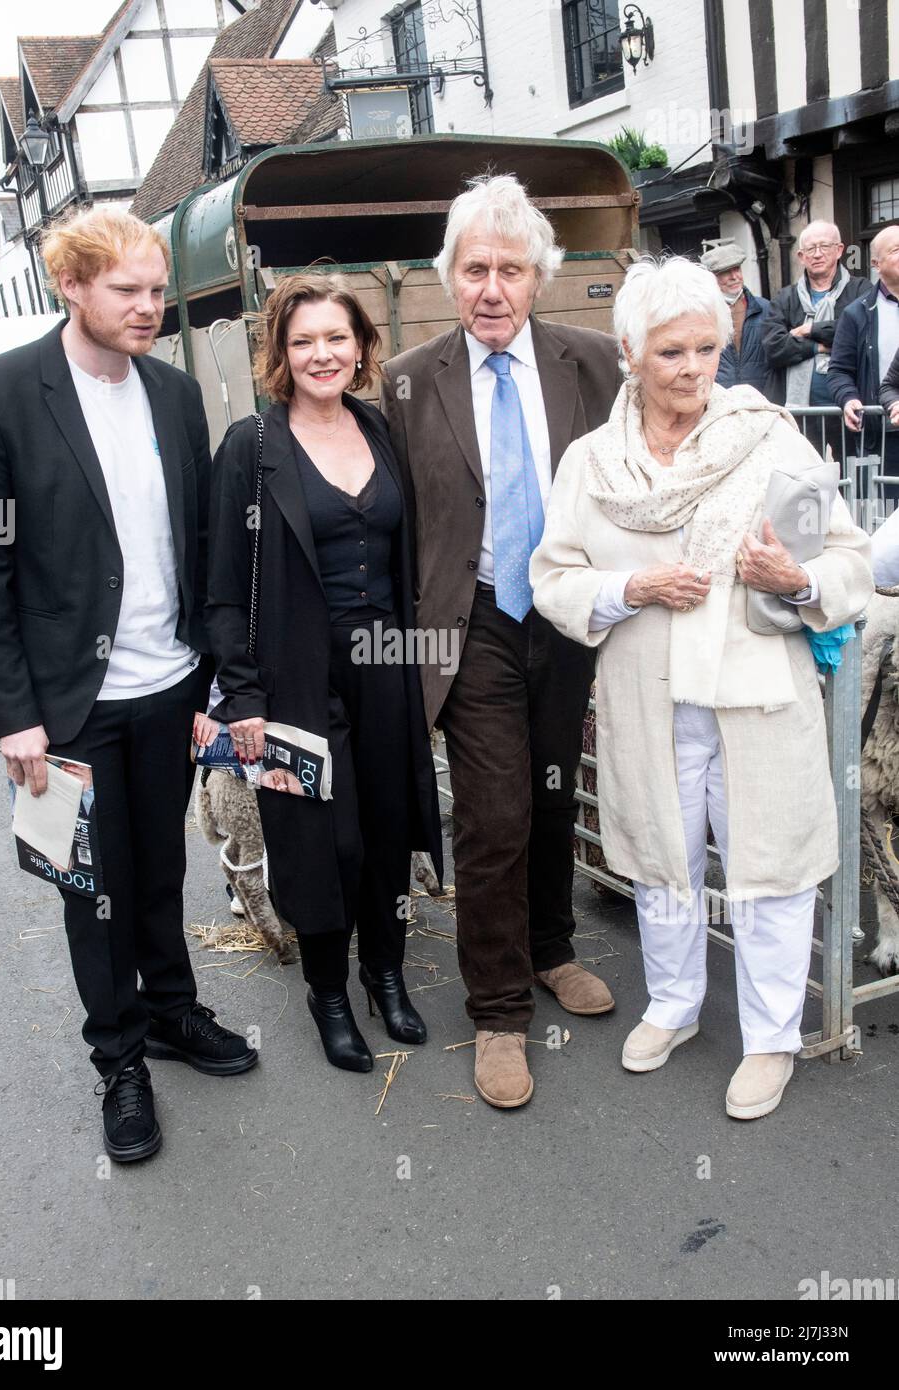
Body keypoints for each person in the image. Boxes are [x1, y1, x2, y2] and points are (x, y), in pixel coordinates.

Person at [0, 207, 256, 1166]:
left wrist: (212, 675)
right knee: (95, 888)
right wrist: (13, 718)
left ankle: (172, 1011)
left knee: (160, 869)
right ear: (72, 286)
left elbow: (199, 543)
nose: (150, 308)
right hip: (70, 704)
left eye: (157, 290)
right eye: (128, 290)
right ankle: (119, 1059)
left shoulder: (172, 392)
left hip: (168, 687)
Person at [531, 255, 873, 1120]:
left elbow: (847, 557)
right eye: (672, 353)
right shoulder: (592, 463)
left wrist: (791, 578)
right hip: (649, 698)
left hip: (757, 693)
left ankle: (771, 1040)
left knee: (770, 870)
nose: (693, 370)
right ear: (630, 353)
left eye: (708, 350)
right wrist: (630, 590)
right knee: (660, 859)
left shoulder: (769, 439)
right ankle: (676, 1006)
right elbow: (553, 577)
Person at [380, 174, 620, 1110]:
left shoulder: (593, 364)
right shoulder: (407, 382)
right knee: (494, 813)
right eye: (474, 268)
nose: (491, 288)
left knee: (557, 792)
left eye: (509, 270)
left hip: (565, 616)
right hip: (471, 619)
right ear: (448, 276)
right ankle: (498, 1012)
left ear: (538, 277)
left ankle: (553, 946)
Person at [206, 273, 443, 1074]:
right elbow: (221, 589)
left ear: (361, 347)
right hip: (294, 677)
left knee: (385, 830)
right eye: (303, 340)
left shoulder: (378, 431)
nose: (321, 354)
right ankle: (329, 991)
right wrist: (241, 694)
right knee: (322, 841)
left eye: (336, 338)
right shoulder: (252, 448)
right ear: (280, 352)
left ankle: (386, 973)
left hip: (386, 669)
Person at [762, 221, 872, 453]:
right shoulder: (785, 297)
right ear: (801, 256)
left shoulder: (860, 289)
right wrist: (819, 348)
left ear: (839, 250)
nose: (818, 254)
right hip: (799, 412)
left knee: (853, 479)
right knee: (806, 479)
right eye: (811, 249)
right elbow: (773, 347)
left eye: (824, 246)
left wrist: (808, 330)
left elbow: (858, 334)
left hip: (848, 406)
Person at [827, 223, 899, 478]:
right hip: (883, 434)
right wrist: (848, 398)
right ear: (877, 265)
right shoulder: (857, 313)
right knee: (887, 512)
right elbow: (838, 371)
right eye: (896, 250)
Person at [699, 240, 772, 397]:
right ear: (713, 277)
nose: (734, 277)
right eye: (725, 272)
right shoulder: (703, 314)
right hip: (719, 399)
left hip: (761, 398)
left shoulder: (765, 308)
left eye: (737, 269)